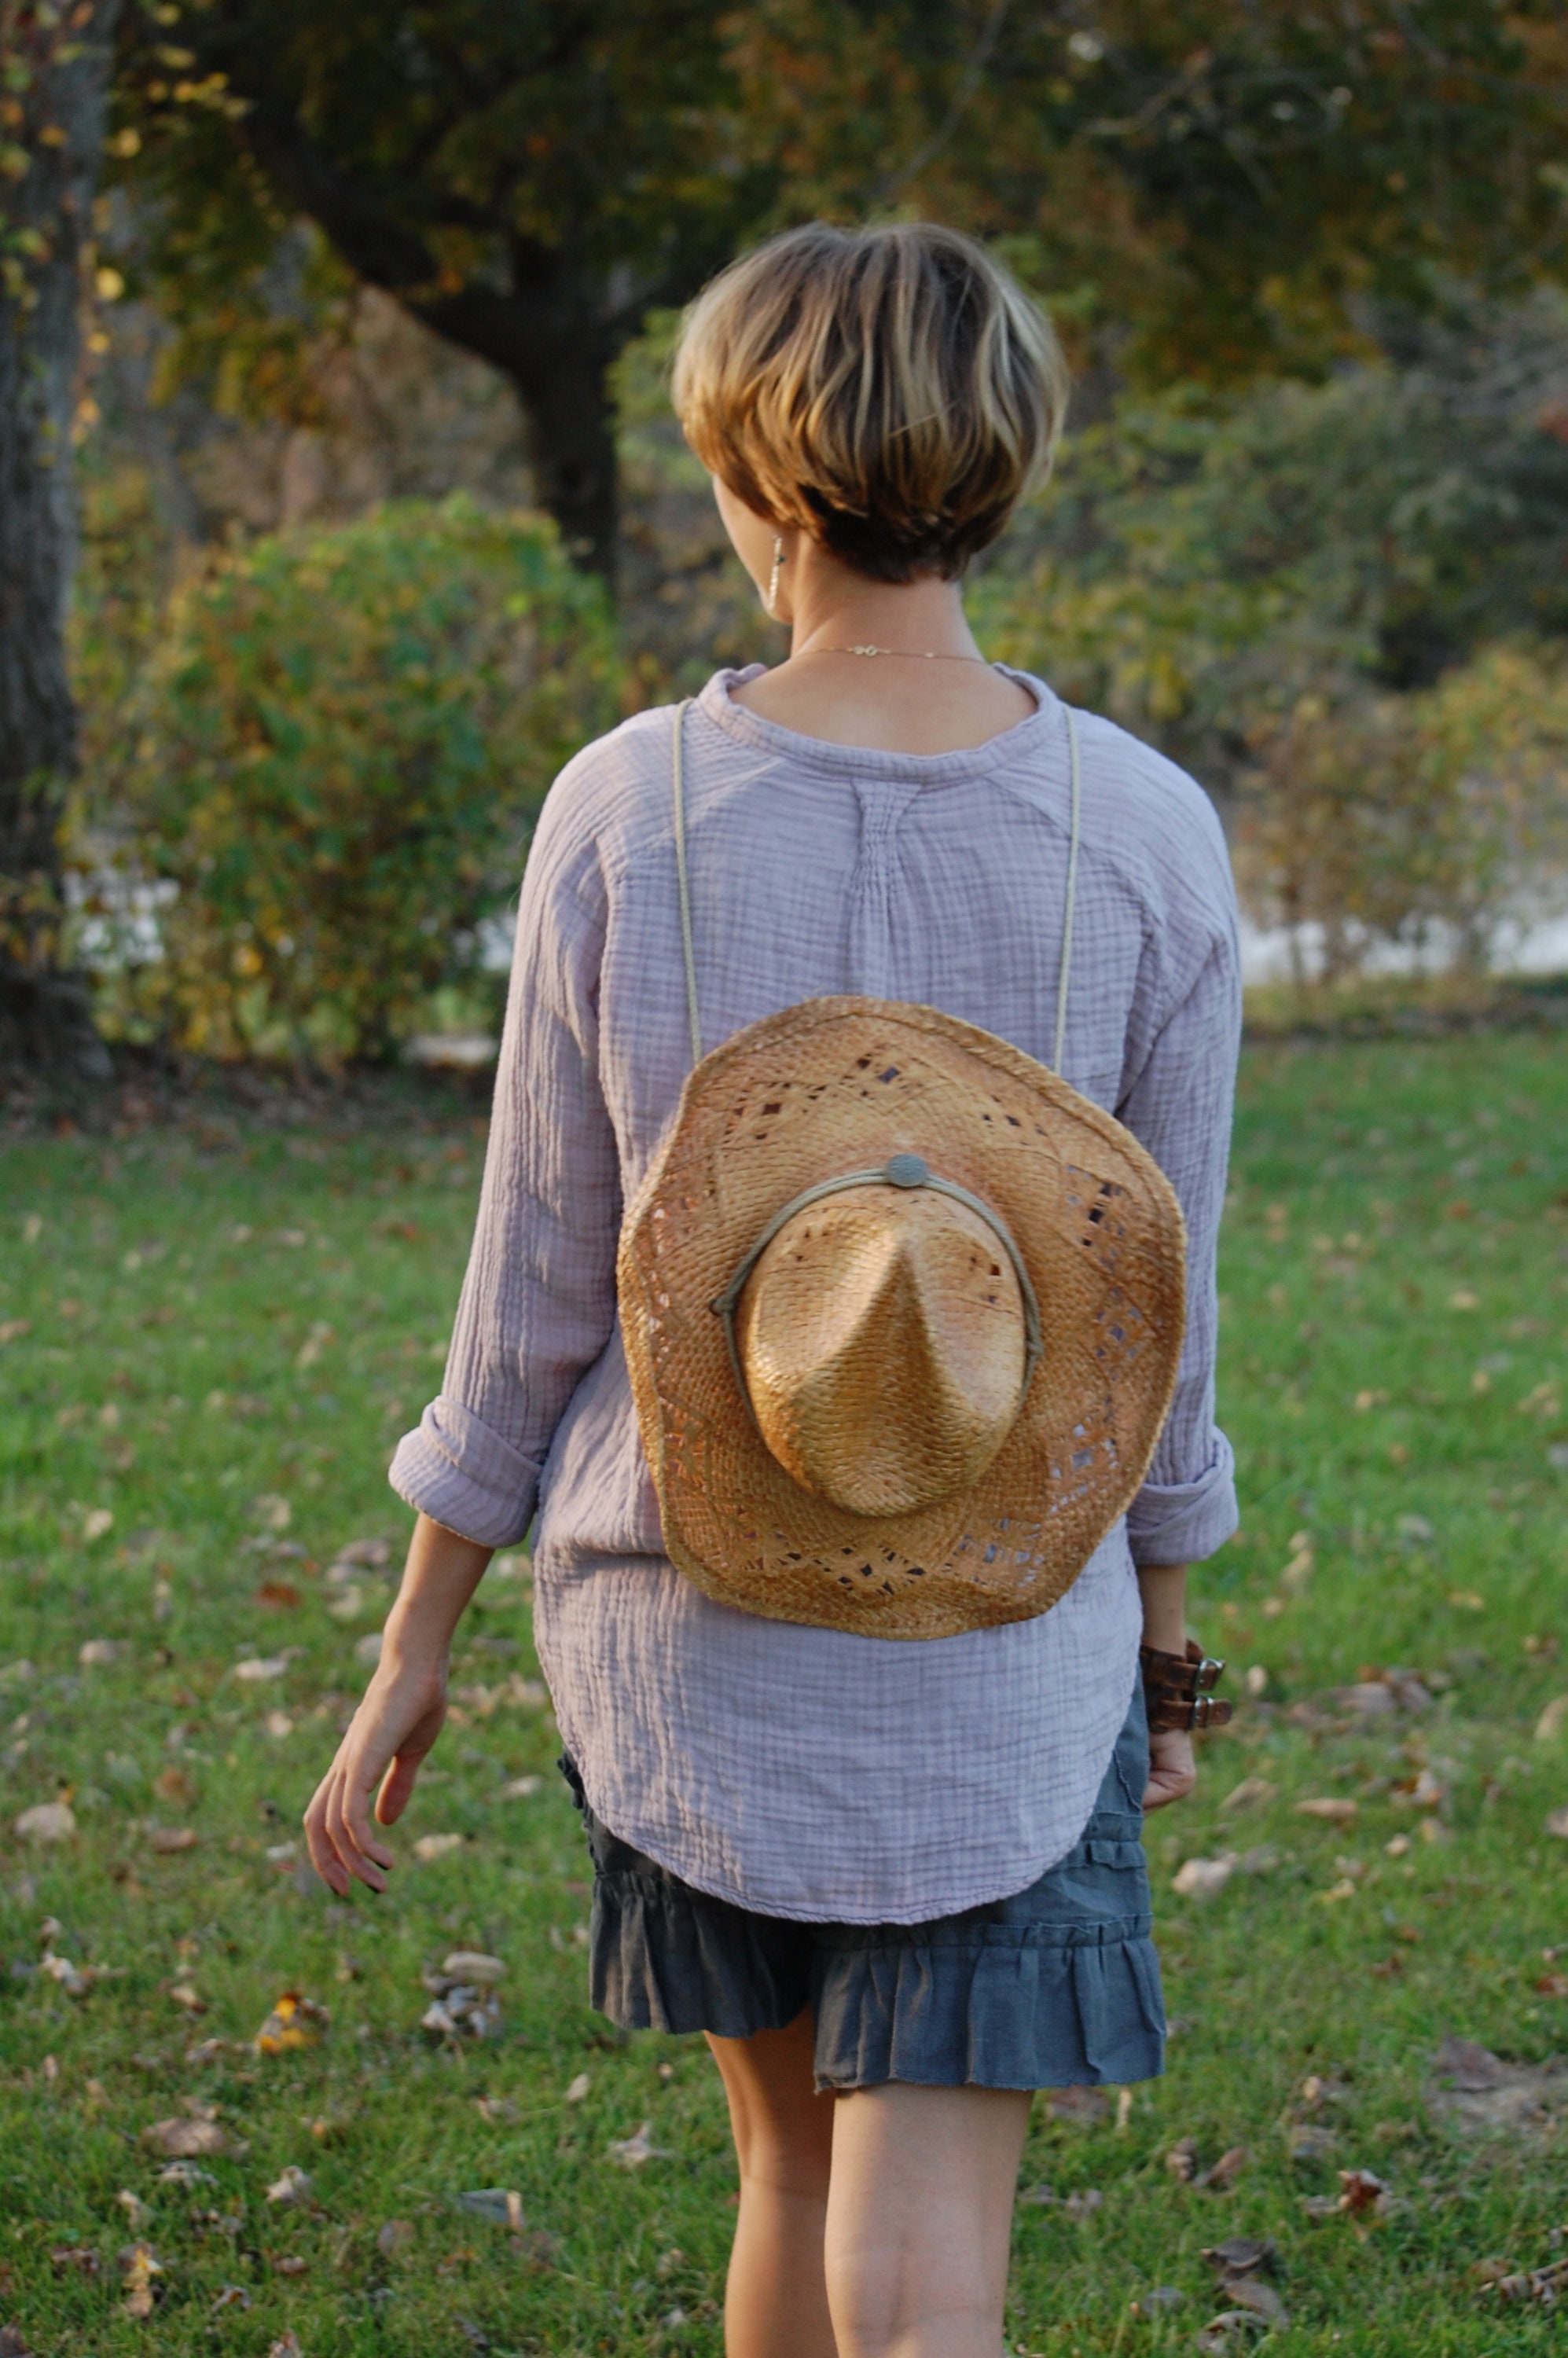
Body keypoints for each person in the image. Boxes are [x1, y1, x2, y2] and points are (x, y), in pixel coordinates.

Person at [304, 220, 1241, 2358]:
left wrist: (415, 1644)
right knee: (924, 2258)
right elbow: (1150, 1325)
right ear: (1005, 464)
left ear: (752, 472)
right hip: (1004, 1656)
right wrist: (1166, 1646)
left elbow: (532, 1298)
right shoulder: (1143, 832)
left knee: (789, 2178)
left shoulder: (625, 808)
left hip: (691, 1649)